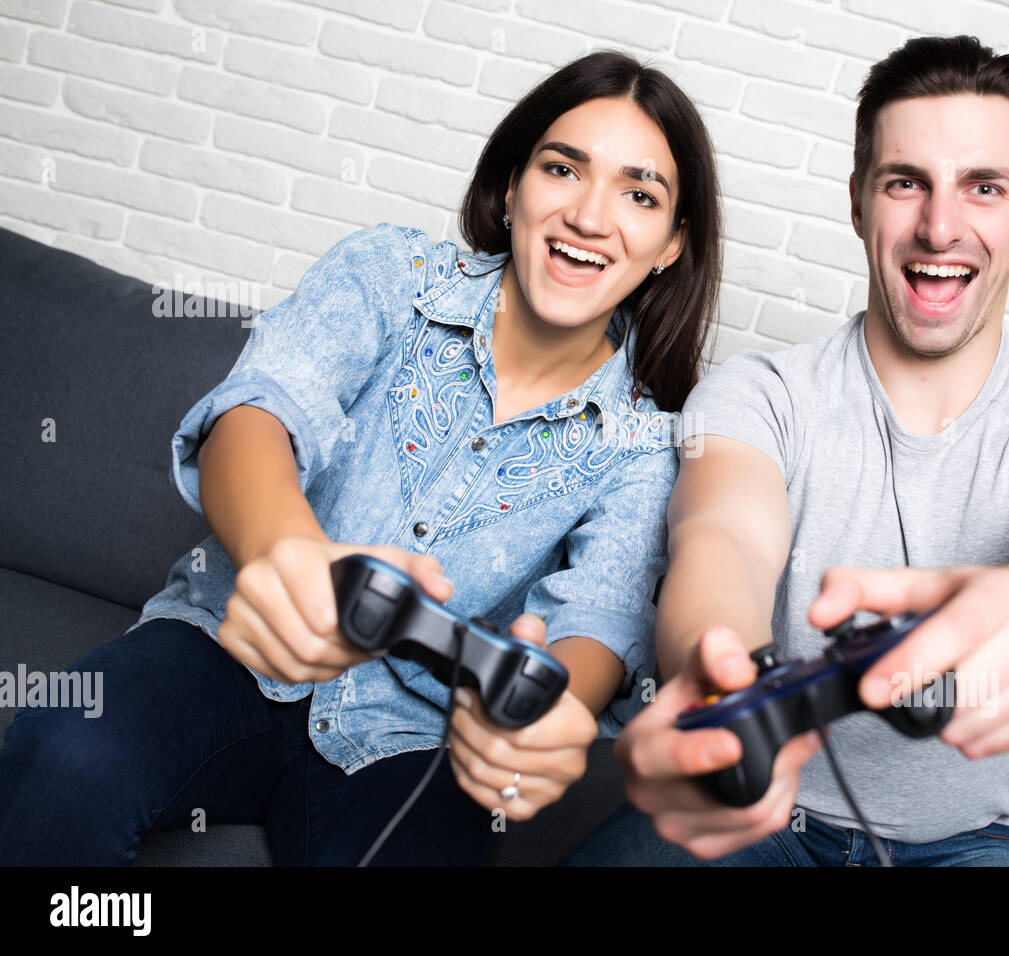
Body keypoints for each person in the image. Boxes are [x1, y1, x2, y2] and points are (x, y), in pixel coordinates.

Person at [0, 50, 722, 866]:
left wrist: (547, 709)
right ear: (514, 185)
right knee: (60, 759)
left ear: (669, 244)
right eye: (563, 169)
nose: (591, 216)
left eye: (639, 193)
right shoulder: (389, 274)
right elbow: (259, 413)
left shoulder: (642, 447)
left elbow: (597, 621)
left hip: (412, 741)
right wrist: (291, 559)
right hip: (222, 648)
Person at [567, 34, 1009, 867]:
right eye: (906, 183)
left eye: (984, 187)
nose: (940, 227)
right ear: (859, 202)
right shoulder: (761, 394)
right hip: (757, 817)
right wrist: (721, 684)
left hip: (973, 845)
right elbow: (723, 541)